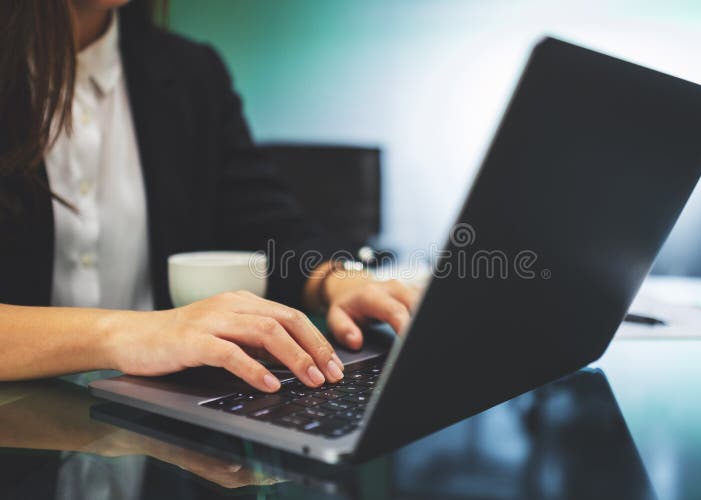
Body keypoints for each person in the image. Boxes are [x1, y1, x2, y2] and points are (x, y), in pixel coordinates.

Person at [0, 0, 420, 392]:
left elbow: (268, 228)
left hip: (154, 432)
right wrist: (136, 333)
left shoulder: (191, 73)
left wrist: (337, 280)